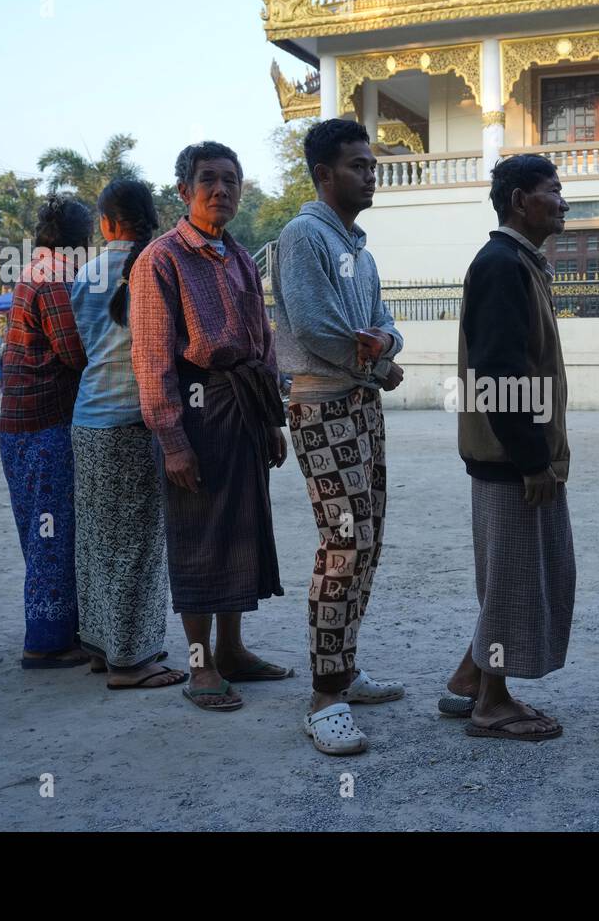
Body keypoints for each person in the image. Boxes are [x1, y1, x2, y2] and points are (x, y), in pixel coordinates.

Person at [130, 141, 290, 713]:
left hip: (244, 409)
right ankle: (200, 664)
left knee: (240, 531)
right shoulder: (161, 259)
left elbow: (264, 344)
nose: (220, 190)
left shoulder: (243, 258)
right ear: (183, 191)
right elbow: (152, 360)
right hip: (195, 415)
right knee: (199, 536)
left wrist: (270, 418)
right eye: (207, 181)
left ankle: (233, 650)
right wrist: (172, 441)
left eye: (230, 180)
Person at [274, 118, 405, 755]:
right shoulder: (303, 237)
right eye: (357, 165)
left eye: (371, 165)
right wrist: (383, 364)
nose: (370, 174)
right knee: (344, 543)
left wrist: (386, 347)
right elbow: (321, 329)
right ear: (324, 175)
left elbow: (383, 323)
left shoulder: (358, 247)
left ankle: (345, 668)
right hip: (324, 407)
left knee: (368, 540)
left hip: (362, 406)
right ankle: (325, 695)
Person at [440, 154, 574, 742]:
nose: (563, 200)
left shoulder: (519, 262)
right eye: (554, 189)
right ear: (521, 200)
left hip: (514, 453)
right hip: (508, 458)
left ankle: (471, 677)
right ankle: (491, 702)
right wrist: (531, 458)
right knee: (515, 580)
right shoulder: (500, 264)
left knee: (524, 574)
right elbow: (498, 371)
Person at [70, 179, 185, 691]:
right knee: (136, 543)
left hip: (88, 419)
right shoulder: (158, 265)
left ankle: (102, 647)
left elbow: (82, 345)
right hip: (136, 420)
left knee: (95, 541)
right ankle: (129, 661)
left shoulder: (86, 273)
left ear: (106, 223)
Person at [0, 195, 90, 670]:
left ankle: (55, 631)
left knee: (41, 532)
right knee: (51, 534)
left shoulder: (33, 270)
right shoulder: (56, 275)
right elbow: (72, 351)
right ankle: (48, 643)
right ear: (83, 240)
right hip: (45, 424)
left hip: (22, 426)